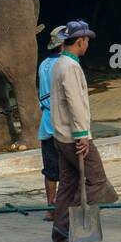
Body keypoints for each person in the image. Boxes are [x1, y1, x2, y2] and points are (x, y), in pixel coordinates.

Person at [50, 19, 119, 242]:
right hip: (73, 136)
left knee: (68, 183)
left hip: (60, 135)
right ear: (79, 42)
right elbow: (74, 102)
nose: (87, 45)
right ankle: (72, 225)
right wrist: (82, 135)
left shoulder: (60, 63)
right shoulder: (70, 67)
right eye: (86, 41)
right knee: (97, 180)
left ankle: (59, 231)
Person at [37, 25, 69, 221]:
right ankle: (65, 207)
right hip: (64, 124)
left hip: (46, 122)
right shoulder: (67, 65)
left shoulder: (43, 64)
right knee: (68, 169)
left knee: (50, 170)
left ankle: (51, 207)